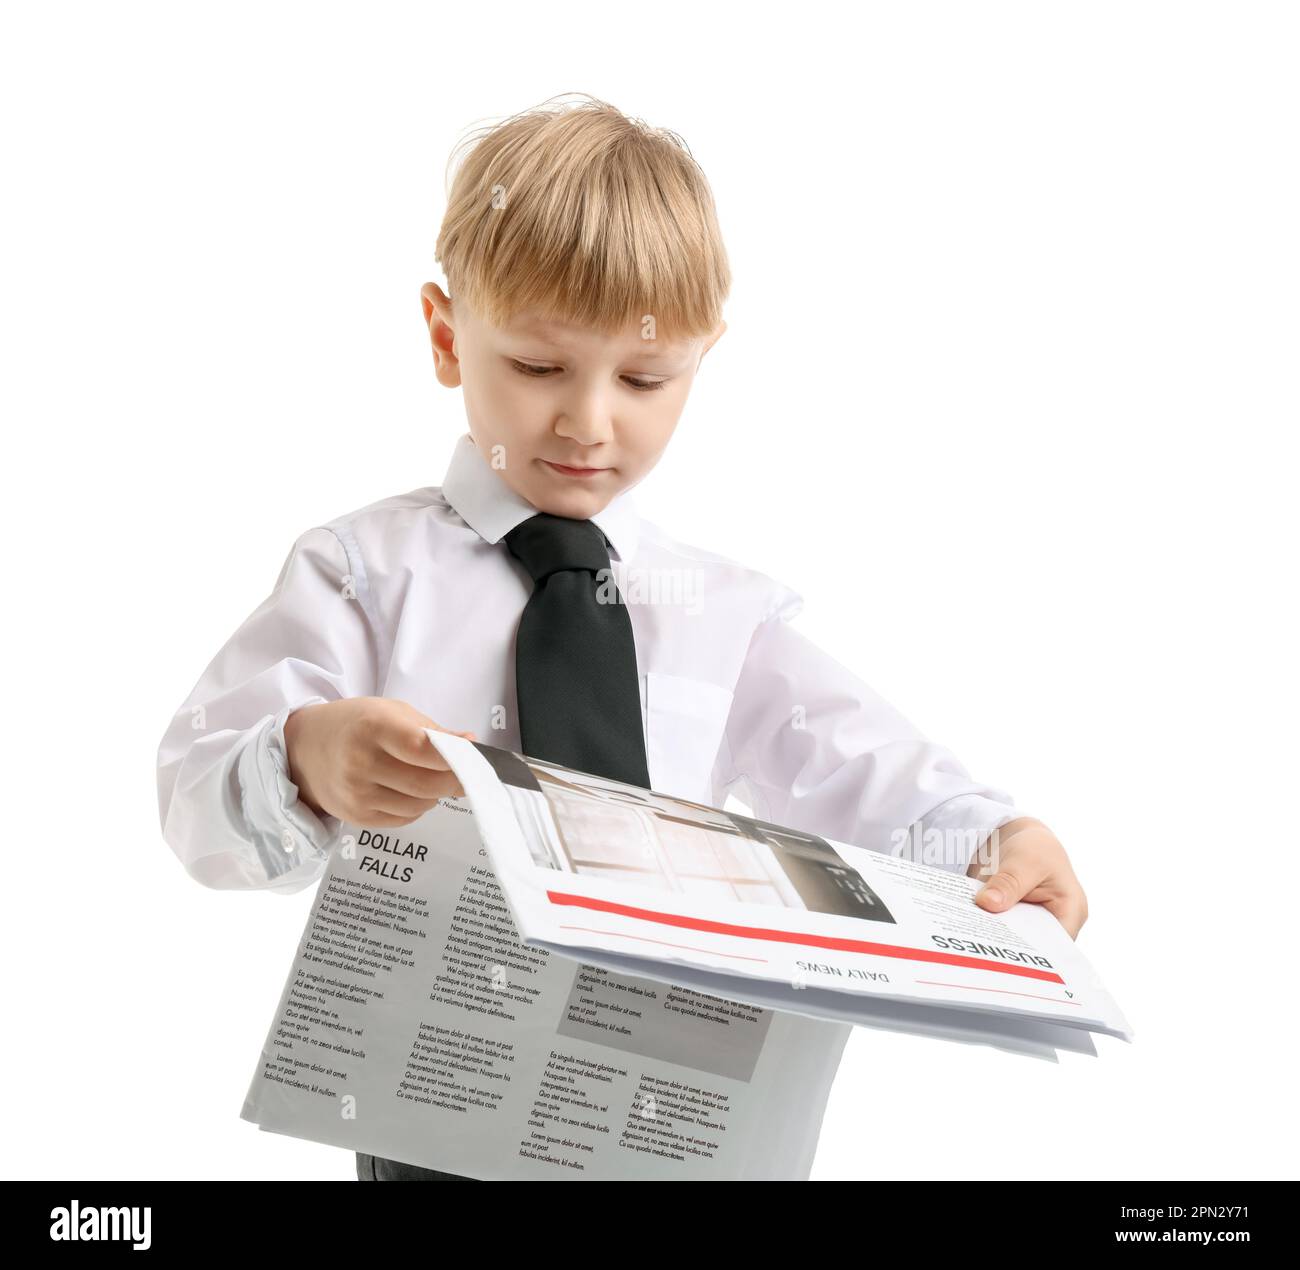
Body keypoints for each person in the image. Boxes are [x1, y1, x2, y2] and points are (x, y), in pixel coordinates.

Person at [156, 93, 1088, 1182]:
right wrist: (305, 757)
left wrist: (989, 839)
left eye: (645, 379)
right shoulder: (364, 573)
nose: (589, 422)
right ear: (449, 337)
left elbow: (859, 763)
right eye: (540, 367)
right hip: (435, 1114)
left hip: (662, 1115)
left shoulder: (718, 611)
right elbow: (194, 796)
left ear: (702, 361)